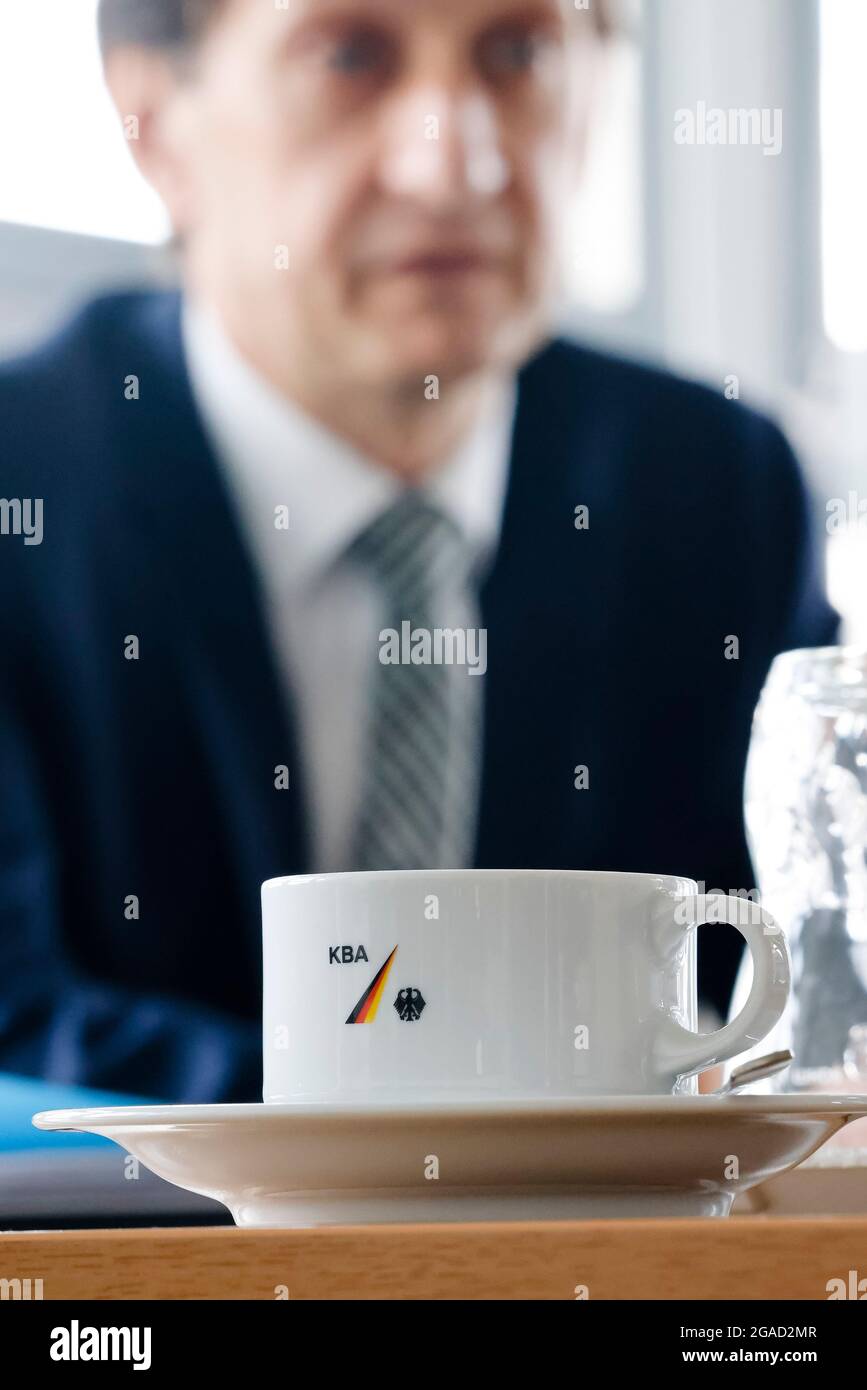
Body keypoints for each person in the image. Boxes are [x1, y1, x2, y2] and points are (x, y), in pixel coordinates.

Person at [0, 0, 838, 1101]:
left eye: (519, 53)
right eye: (351, 55)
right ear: (153, 124)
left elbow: (797, 981)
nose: (458, 163)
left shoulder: (714, 486)